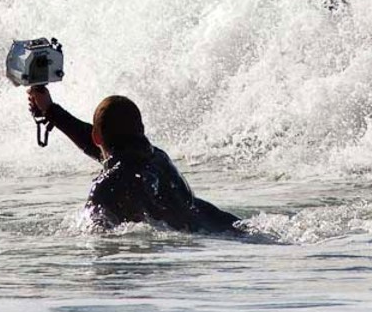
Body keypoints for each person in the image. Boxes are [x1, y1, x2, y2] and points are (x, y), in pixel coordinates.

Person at [27, 86, 247, 235]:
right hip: (222, 226)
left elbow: (91, 234)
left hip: (190, 239)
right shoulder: (157, 158)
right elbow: (107, 148)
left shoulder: (107, 184)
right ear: (141, 129)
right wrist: (51, 110)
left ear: (97, 137)